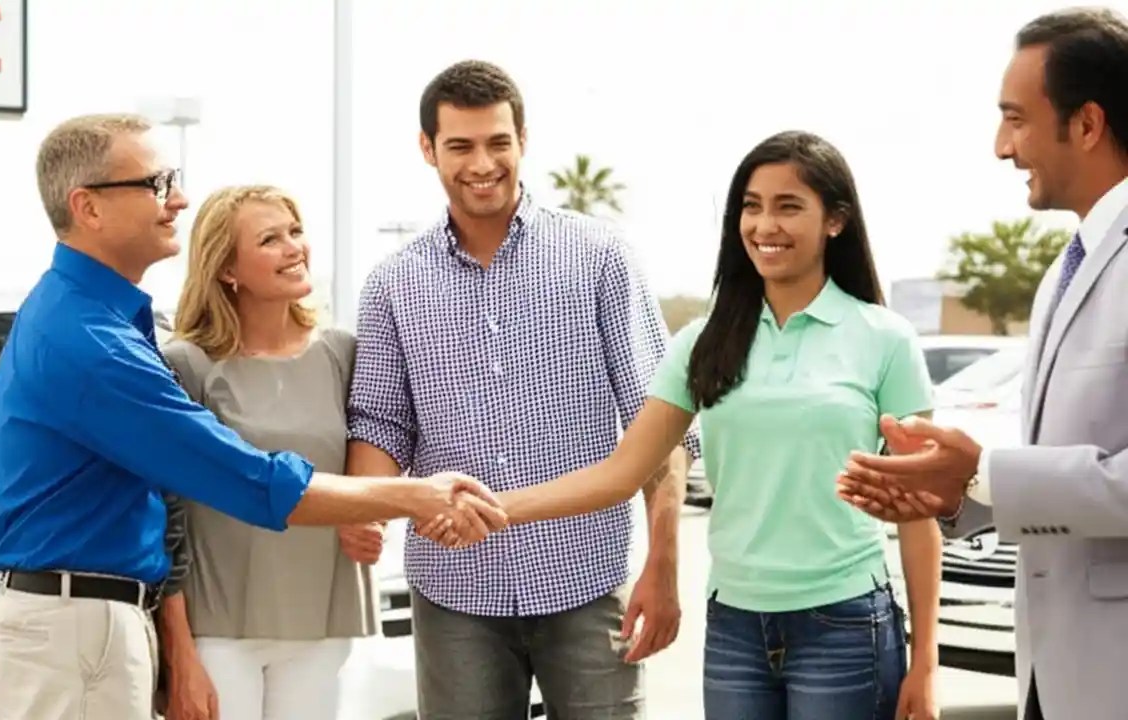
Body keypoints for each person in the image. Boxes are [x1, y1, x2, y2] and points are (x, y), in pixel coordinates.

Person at [0, 113, 505, 720]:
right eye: (154, 184)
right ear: (88, 208)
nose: (176, 200)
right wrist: (413, 497)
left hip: (93, 621)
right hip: (80, 628)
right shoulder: (89, 341)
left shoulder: (93, 319)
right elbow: (237, 474)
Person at [496, 130, 943, 719]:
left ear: (835, 220)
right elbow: (622, 472)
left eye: (788, 207)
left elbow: (917, 512)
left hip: (845, 621)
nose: (765, 226)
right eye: (751, 208)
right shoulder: (703, 343)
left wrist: (926, 663)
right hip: (735, 626)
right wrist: (491, 508)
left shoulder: (884, 339)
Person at [346, 60, 696, 719]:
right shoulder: (393, 283)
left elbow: (662, 420)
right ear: (428, 149)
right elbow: (382, 423)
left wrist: (664, 561)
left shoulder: (599, 255)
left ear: (522, 140)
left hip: (585, 579)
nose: (482, 163)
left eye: (497, 142)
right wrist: (364, 507)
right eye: (460, 146)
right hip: (454, 591)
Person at [836, 8, 1128, 720]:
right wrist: (956, 499)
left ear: (1087, 124)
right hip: (1052, 674)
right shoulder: (1071, 263)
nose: (1002, 147)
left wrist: (982, 472)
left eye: (1016, 119)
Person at [153, 184, 385, 720]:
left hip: (321, 620)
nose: (293, 247)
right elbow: (167, 515)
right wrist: (179, 652)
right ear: (228, 268)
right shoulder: (186, 365)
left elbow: (371, 457)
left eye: (295, 232)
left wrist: (372, 517)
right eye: (270, 239)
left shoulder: (342, 354)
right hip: (218, 627)